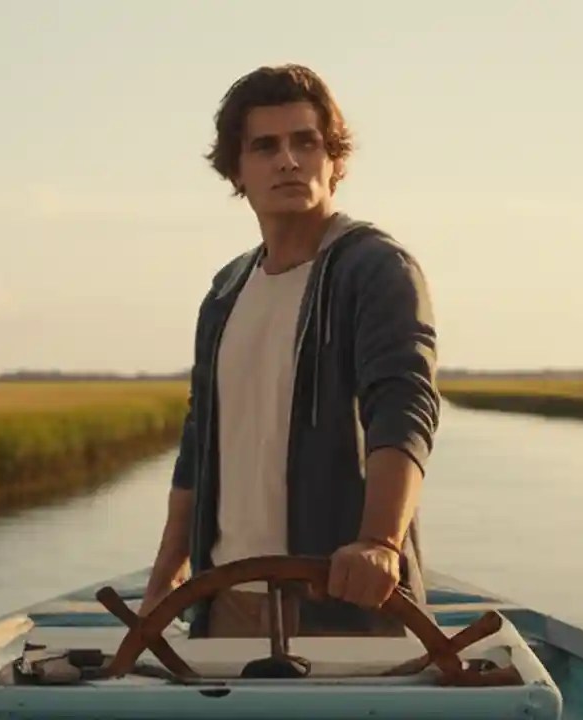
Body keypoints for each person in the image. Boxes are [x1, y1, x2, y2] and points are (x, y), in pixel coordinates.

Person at [139, 64, 440, 638]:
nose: (288, 160)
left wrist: (379, 541)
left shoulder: (374, 269)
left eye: (306, 141)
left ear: (336, 160)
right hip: (223, 599)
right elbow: (197, 442)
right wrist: (165, 576)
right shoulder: (226, 290)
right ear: (238, 171)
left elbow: (403, 408)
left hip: (342, 599)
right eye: (266, 146)